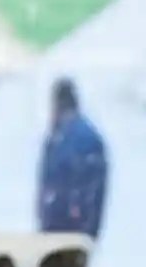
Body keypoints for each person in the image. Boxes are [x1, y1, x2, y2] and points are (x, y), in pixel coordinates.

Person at [38, 77, 107, 240]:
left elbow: (52, 185)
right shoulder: (83, 134)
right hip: (79, 227)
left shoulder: (63, 138)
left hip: (64, 227)